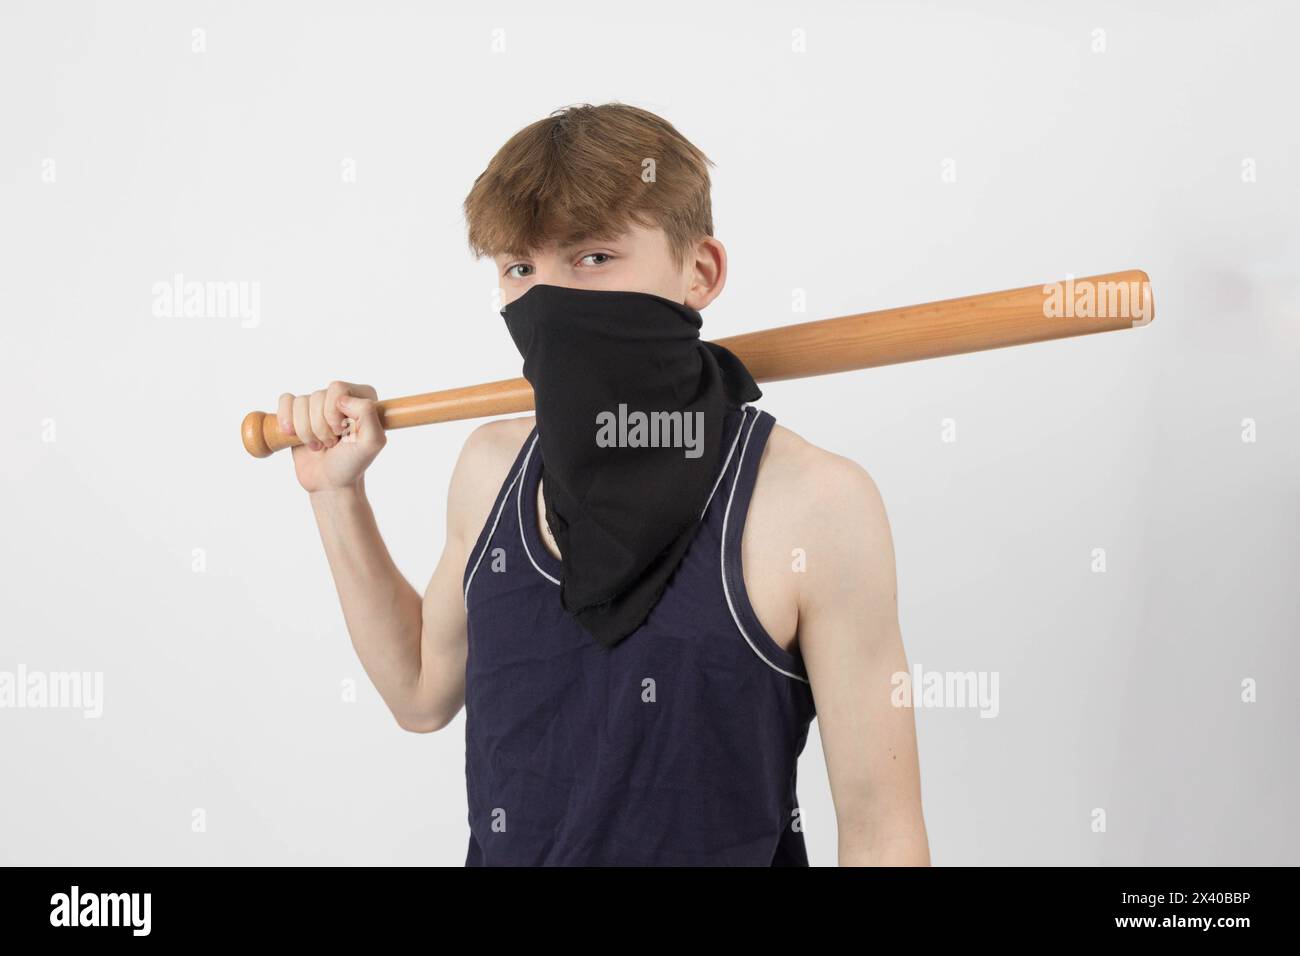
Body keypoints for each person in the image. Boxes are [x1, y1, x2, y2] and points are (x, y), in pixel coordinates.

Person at [276, 103, 929, 866]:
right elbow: (420, 696)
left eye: (591, 257)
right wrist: (334, 495)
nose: (548, 302)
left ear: (701, 271)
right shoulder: (491, 469)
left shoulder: (815, 505)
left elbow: (882, 828)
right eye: (521, 268)